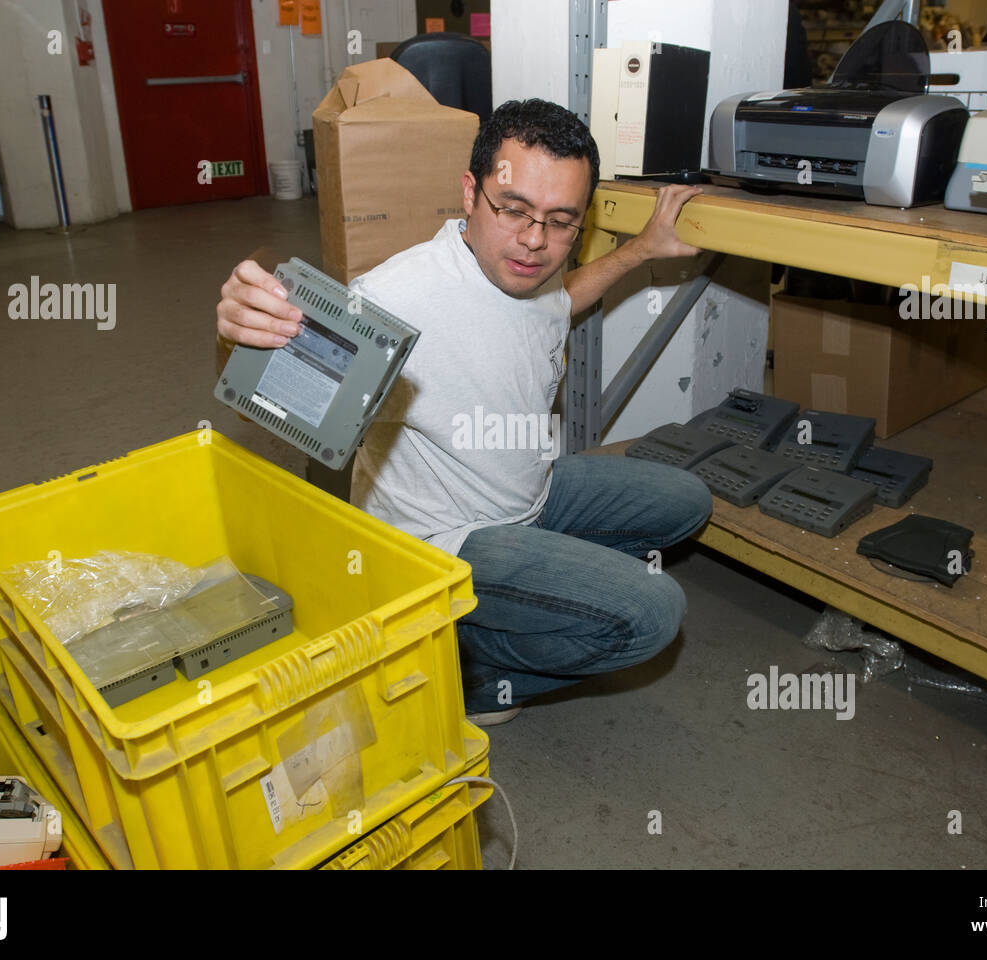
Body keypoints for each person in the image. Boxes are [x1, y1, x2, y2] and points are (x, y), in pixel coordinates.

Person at [216, 99, 714, 725]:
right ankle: (472, 669)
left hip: (529, 495)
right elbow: (280, 392)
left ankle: (528, 591)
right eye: (515, 211)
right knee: (651, 614)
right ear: (470, 195)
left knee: (686, 500)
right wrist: (240, 333)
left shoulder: (528, 275)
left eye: (562, 222)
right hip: (442, 542)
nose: (535, 242)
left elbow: (560, 302)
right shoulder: (396, 299)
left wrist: (641, 249)